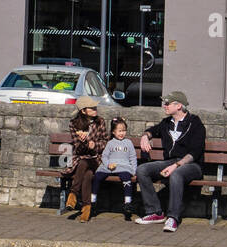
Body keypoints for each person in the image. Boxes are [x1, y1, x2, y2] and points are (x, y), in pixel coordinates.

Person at [134, 90, 206, 232]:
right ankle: (155, 212)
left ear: (179, 106)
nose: (164, 106)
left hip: (191, 165)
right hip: (170, 161)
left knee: (177, 174)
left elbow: (195, 152)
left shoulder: (195, 123)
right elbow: (153, 130)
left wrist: (176, 165)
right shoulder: (167, 123)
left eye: (167, 103)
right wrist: (145, 136)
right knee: (142, 170)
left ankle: (173, 217)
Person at [88, 117, 138, 222]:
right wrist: (107, 164)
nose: (122, 133)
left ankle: (127, 203)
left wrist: (133, 170)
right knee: (97, 176)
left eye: (124, 131)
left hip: (123, 167)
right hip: (109, 167)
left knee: (126, 177)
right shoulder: (110, 143)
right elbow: (104, 156)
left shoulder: (128, 143)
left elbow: (133, 157)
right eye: (119, 131)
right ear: (113, 132)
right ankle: (93, 202)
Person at [63, 97, 105, 220]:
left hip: (96, 158)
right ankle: (86, 209)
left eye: (95, 107)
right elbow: (78, 148)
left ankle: (73, 194)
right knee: (87, 174)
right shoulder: (74, 124)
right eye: (91, 108)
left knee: (85, 162)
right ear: (83, 111)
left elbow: (105, 142)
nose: (95, 109)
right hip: (81, 157)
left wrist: (94, 145)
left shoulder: (100, 121)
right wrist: (84, 142)